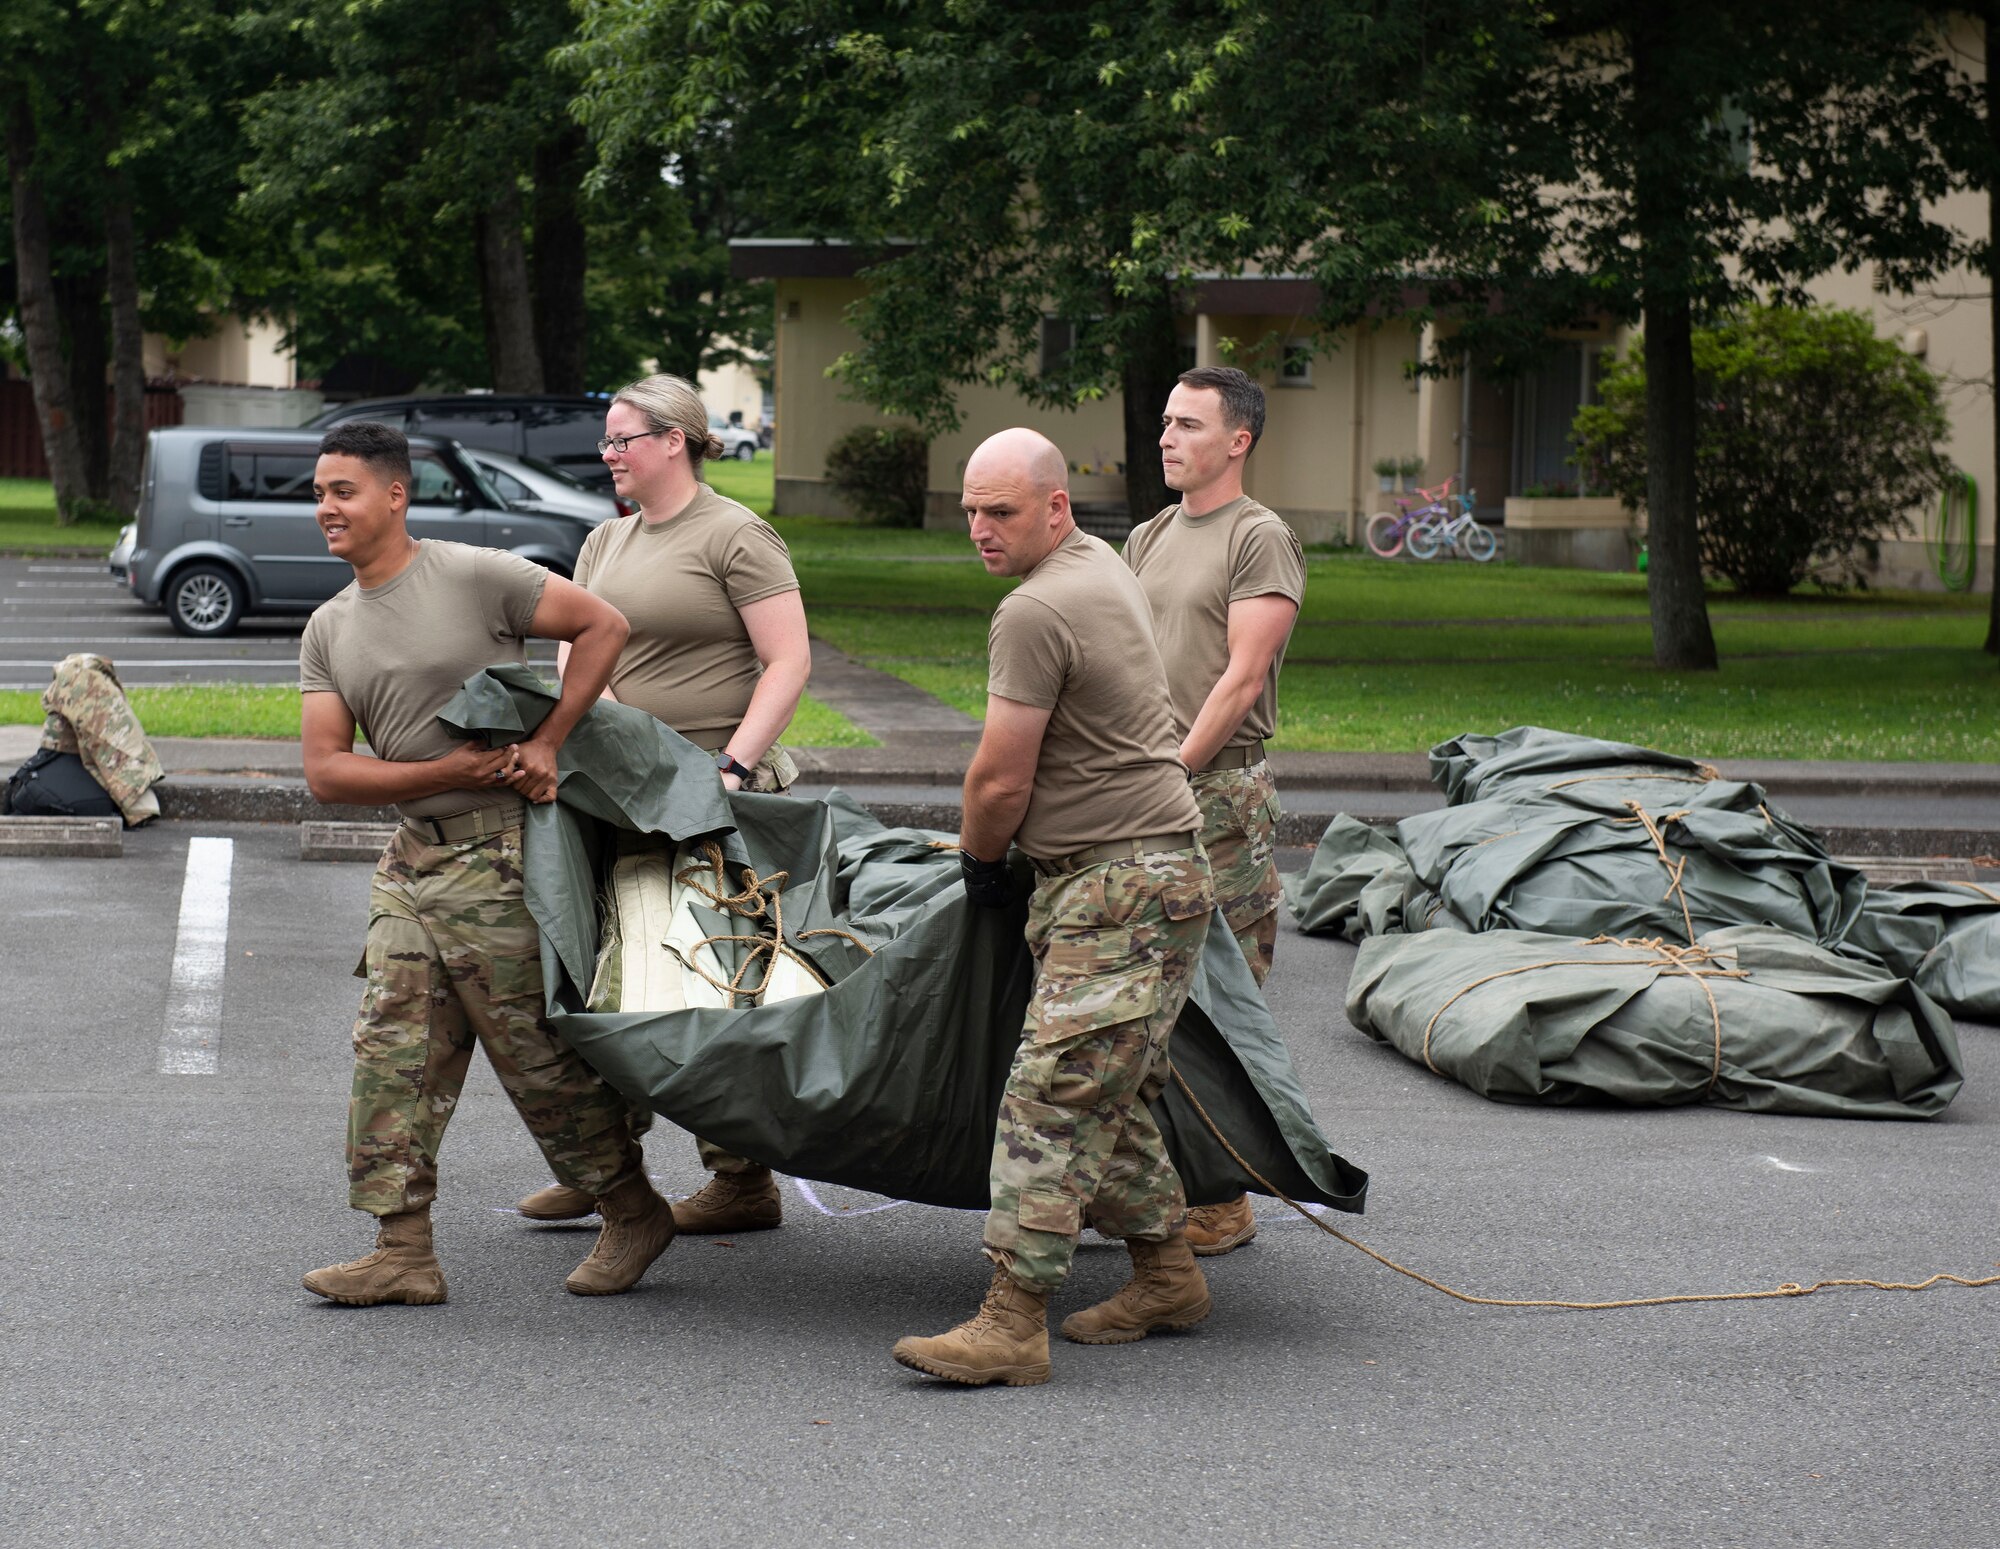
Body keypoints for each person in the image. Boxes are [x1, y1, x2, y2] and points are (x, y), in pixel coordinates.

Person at [297, 421, 677, 1307]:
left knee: (535, 1055)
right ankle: (401, 1250)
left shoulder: (473, 574)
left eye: (342, 490)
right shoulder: (329, 626)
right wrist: (439, 772)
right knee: (392, 1053)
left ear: (396, 495)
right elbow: (326, 771)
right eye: (318, 492)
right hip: (410, 864)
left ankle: (631, 1207)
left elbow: (602, 624)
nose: (326, 508)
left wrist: (548, 740)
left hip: (498, 854)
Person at [892, 428, 1217, 1388]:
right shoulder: (1098, 565)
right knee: (1106, 1087)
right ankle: (1167, 1275)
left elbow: (998, 778)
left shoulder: (1035, 609)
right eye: (970, 512)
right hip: (1149, 877)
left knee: (1052, 1095)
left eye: (1001, 512)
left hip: (1119, 883)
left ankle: (1012, 1320)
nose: (981, 531)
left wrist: (980, 865)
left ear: (1056, 507)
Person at [513, 372, 812, 1238]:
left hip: (706, 797)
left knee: (708, 987)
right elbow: (579, 653)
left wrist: (733, 766)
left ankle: (741, 1178)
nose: (607, 454)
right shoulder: (606, 540)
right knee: (601, 977)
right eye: (606, 442)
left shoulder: (736, 535)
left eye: (621, 439)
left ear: (673, 440)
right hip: (613, 792)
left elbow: (787, 662)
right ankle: (606, 1167)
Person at [1123, 365, 1304, 1258]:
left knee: (1219, 998)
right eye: (1165, 421)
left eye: (1188, 424)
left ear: (1238, 440)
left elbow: (1240, 680)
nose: (1167, 437)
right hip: (1146, 784)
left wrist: (1173, 771)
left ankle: (1224, 1197)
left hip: (1218, 793)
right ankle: (1153, 1184)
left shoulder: (1259, 537)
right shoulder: (1151, 534)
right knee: (1139, 992)